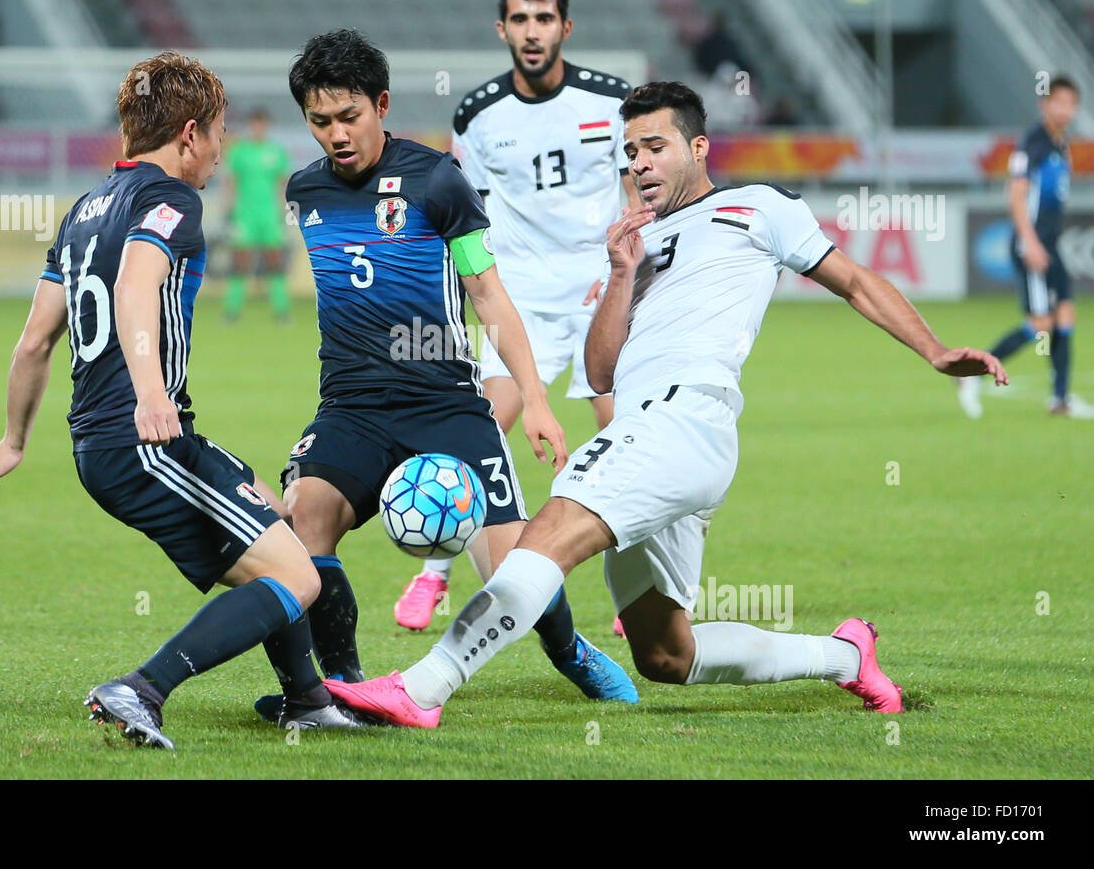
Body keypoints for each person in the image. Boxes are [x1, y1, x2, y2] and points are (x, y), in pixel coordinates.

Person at [323, 81, 1008, 727]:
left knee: (548, 532)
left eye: (656, 148)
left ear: (698, 147)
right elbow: (600, 372)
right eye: (630, 153)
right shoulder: (635, 243)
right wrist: (620, 274)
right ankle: (846, 656)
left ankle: (423, 689)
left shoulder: (758, 208)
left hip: (684, 420)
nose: (640, 164)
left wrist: (936, 350)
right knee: (664, 655)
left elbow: (855, 281)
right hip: (655, 428)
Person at [0, 51, 348, 749]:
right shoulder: (170, 200)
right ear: (190, 133)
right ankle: (141, 689)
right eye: (220, 135)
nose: (221, 153)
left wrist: (14, 441)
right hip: (141, 438)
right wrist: (149, 393)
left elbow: (33, 344)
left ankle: (306, 697)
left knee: (271, 511)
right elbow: (137, 288)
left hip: (105, 442)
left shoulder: (83, 211)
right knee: (297, 577)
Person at [254, 29, 638, 724]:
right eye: (319, 121)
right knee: (303, 524)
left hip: (444, 403)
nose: (335, 134)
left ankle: (569, 651)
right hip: (350, 406)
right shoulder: (303, 189)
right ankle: (342, 686)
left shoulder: (437, 180)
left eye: (349, 116)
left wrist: (539, 399)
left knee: (514, 563)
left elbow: (487, 295)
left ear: (382, 104)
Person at [394, 0, 642, 633]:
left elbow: (636, 190)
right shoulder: (477, 114)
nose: (532, 31)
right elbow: (461, 205)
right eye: (519, 19)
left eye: (543, 18)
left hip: (598, 290)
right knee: (480, 422)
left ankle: (640, 588)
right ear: (501, 28)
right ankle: (434, 572)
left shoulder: (613, 100)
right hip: (520, 293)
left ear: (565, 25)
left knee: (625, 434)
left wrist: (630, 268)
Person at [958, 75, 1089, 418]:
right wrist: (1029, 241)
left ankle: (1059, 399)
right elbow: (1016, 194)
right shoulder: (1035, 142)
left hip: (1051, 244)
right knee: (1041, 323)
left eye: (1070, 103)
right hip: (1032, 245)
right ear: (1044, 104)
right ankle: (971, 375)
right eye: (1058, 102)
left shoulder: (1061, 144)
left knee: (1065, 315)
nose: (1065, 109)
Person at [223, 108, 292, 323]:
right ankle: (232, 310)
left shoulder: (276, 151)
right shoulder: (239, 151)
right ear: (250, 125)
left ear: (266, 126)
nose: (258, 128)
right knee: (240, 261)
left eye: (262, 124)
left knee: (275, 260)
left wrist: (285, 209)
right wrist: (229, 209)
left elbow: (282, 182)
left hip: (270, 213)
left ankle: (281, 310)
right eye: (255, 123)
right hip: (245, 214)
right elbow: (231, 182)